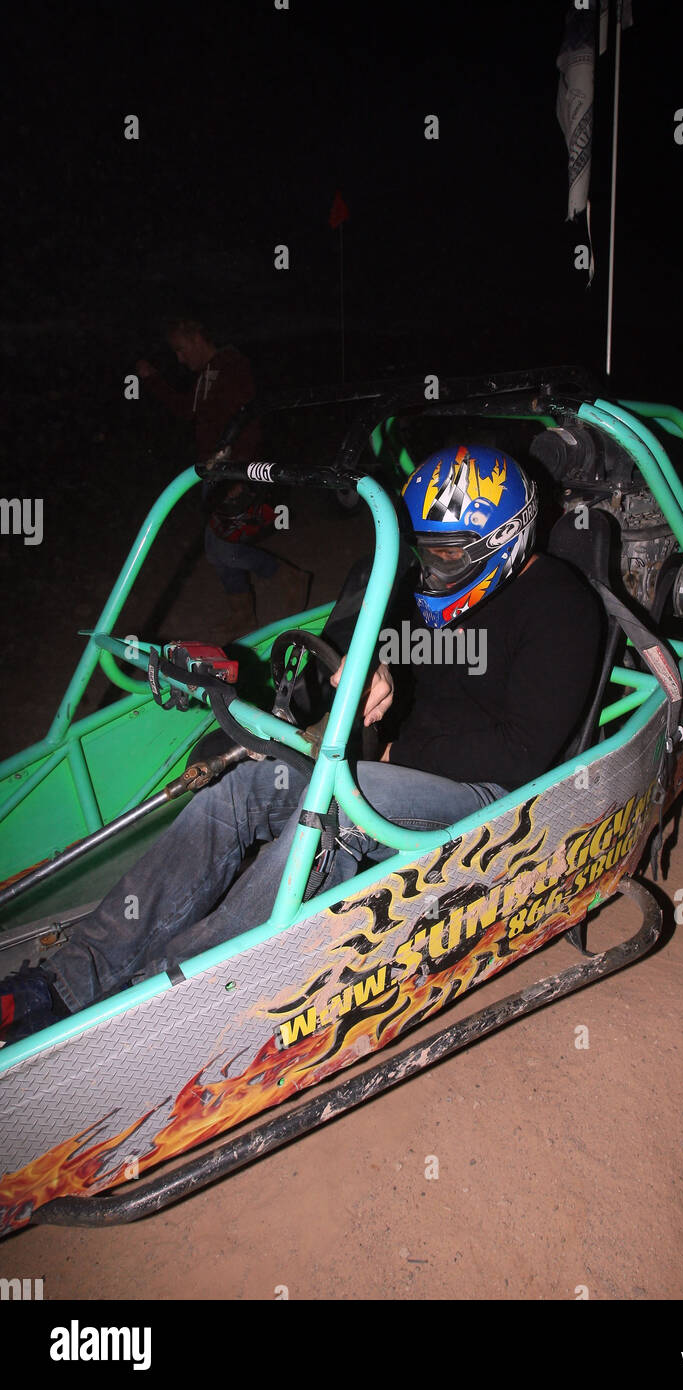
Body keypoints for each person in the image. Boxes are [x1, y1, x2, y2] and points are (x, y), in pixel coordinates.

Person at [0, 446, 601, 1042]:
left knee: (332, 812)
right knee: (240, 790)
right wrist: (379, 664)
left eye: (446, 555)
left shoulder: (561, 608)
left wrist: (396, 757)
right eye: (425, 552)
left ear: (506, 542)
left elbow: (521, 753)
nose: (431, 570)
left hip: (485, 796)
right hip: (391, 766)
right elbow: (388, 641)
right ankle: (68, 982)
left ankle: (163, 1000)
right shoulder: (437, 590)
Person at [137, 316, 285, 641]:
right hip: (213, 472)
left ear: (196, 336)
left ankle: (276, 585)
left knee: (220, 547)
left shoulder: (230, 365)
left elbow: (249, 420)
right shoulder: (210, 371)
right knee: (219, 546)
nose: (179, 358)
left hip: (230, 473)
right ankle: (256, 601)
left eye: (180, 349)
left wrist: (236, 475)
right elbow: (186, 410)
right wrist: (152, 380)